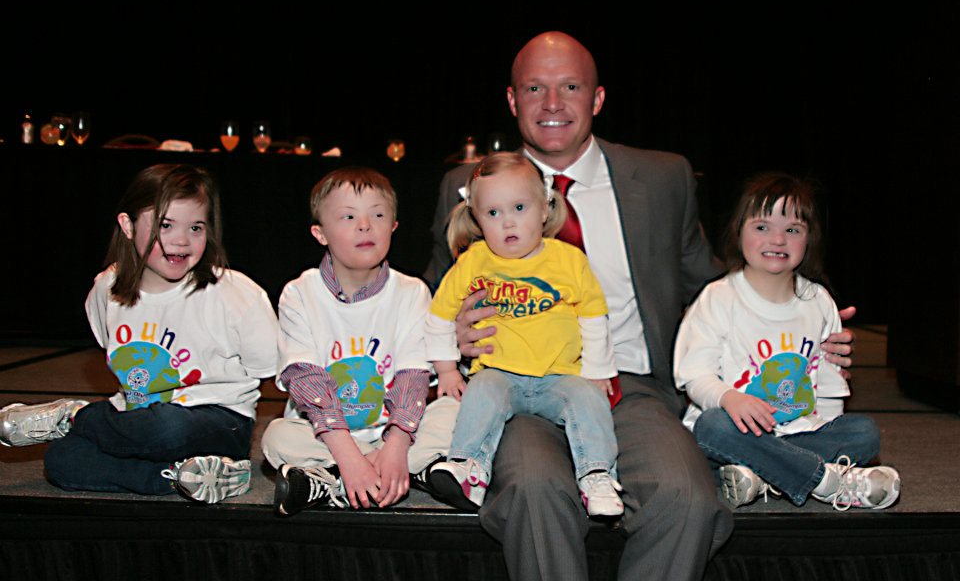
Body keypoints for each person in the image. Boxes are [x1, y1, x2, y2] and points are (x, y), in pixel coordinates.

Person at [426, 32, 858, 581]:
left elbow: (711, 281)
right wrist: (451, 338)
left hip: (630, 385)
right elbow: (428, 299)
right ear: (512, 101)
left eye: (570, 87)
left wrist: (802, 314)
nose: (552, 103)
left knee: (687, 501)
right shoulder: (466, 188)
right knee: (536, 494)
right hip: (514, 385)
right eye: (535, 88)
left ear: (598, 98)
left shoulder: (662, 179)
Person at [0, 164, 280, 503]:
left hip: (216, 420)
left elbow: (264, 366)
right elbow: (111, 344)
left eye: (196, 227)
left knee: (166, 428)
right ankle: (182, 479)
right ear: (128, 226)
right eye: (165, 225)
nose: (181, 240)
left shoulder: (235, 293)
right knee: (63, 461)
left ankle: (74, 416)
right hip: (132, 418)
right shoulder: (107, 289)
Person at [674, 173, 900, 511]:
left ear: (809, 240)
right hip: (735, 431)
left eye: (792, 230)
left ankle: (764, 476)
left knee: (864, 432)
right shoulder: (718, 297)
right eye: (762, 227)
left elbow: (828, 385)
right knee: (711, 427)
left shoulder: (818, 301)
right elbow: (693, 375)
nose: (778, 239)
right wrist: (730, 398)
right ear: (739, 232)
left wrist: (827, 422)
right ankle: (825, 480)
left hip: (799, 435)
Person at [426, 152, 623, 517]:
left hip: (560, 377)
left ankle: (597, 475)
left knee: (590, 402)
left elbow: (595, 317)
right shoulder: (473, 261)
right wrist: (447, 370)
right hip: (498, 373)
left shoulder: (568, 260)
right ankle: (468, 468)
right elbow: (439, 316)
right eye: (494, 213)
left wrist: (597, 371)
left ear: (545, 209)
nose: (508, 223)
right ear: (476, 217)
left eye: (519, 207)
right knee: (479, 395)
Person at [261, 167, 458, 515]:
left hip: (395, 432)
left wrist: (396, 446)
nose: (365, 225)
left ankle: (333, 481)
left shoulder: (411, 292)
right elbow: (305, 378)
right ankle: (396, 474)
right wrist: (350, 456)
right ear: (320, 233)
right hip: (326, 435)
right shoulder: (299, 293)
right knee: (276, 437)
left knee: (455, 413)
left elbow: (413, 378)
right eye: (348, 216)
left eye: (378, 215)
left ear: (393, 226)